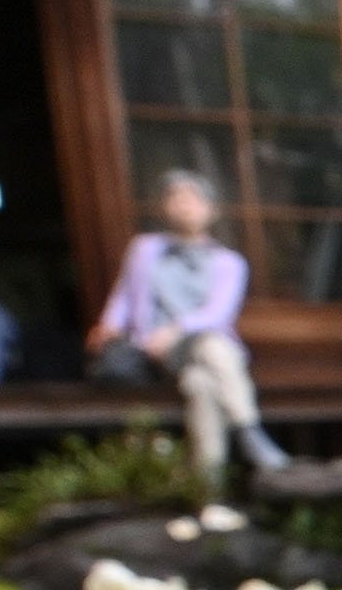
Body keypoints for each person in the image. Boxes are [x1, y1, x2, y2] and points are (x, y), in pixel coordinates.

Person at [87, 169, 287, 478]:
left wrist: (174, 330)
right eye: (176, 199)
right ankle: (248, 428)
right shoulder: (145, 249)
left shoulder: (229, 262)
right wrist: (108, 326)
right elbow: (124, 296)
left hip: (201, 348)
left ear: (211, 209)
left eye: (192, 199)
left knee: (202, 384)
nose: (184, 206)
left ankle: (208, 487)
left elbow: (218, 313)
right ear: (165, 207)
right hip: (156, 350)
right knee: (214, 348)